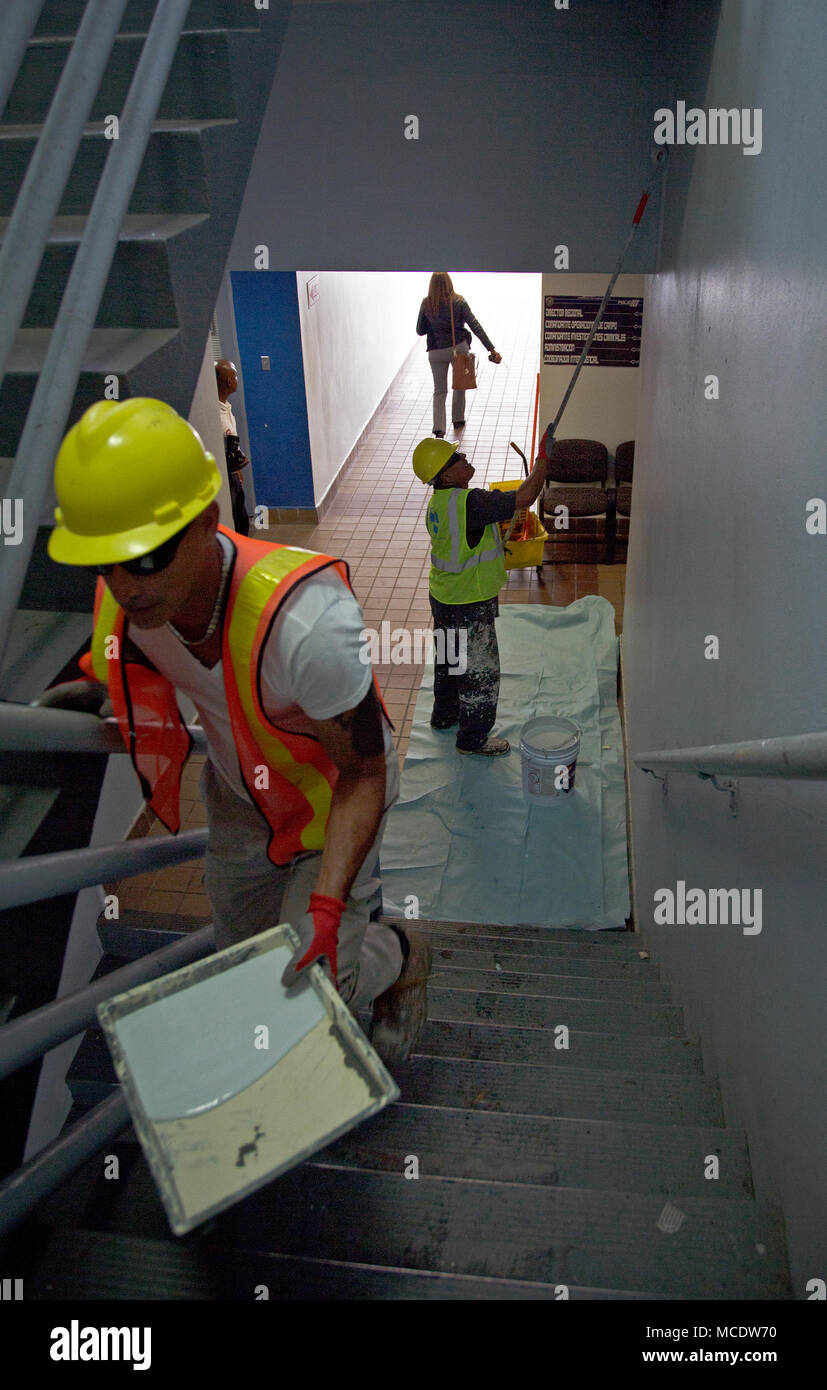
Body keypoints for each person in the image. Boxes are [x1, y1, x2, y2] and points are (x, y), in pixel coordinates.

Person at [43, 398, 432, 1066]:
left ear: (207, 524)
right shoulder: (132, 598)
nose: (124, 587)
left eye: (148, 557)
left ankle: (398, 952)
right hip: (240, 799)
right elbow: (131, 658)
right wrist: (94, 694)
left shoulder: (307, 627)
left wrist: (328, 904)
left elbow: (366, 771)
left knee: (312, 984)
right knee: (249, 965)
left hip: (332, 798)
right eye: (102, 564)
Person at [412, 436, 548, 755]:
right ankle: (472, 739)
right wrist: (543, 459)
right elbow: (526, 495)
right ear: (445, 476)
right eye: (456, 458)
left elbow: (464, 539)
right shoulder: (471, 503)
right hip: (469, 602)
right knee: (480, 673)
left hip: (445, 595)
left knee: (449, 660)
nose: (464, 458)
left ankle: (444, 716)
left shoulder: (441, 502)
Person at [416, 273, 502, 437]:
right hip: (458, 348)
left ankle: (439, 429)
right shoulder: (459, 301)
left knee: (439, 391)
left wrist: (435, 322)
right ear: (449, 283)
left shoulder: (426, 303)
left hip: (435, 351)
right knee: (459, 385)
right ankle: (458, 419)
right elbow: (475, 325)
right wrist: (490, 348)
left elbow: (420, 330)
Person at [215, 358, 250, 536]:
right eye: (235, 375)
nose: (236, 379)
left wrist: (237, 470)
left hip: (232, 475)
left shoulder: (225, 408)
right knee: (235, 521)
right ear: (229, 381)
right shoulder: (215, 415)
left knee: (241, 518)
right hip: (223, 479)